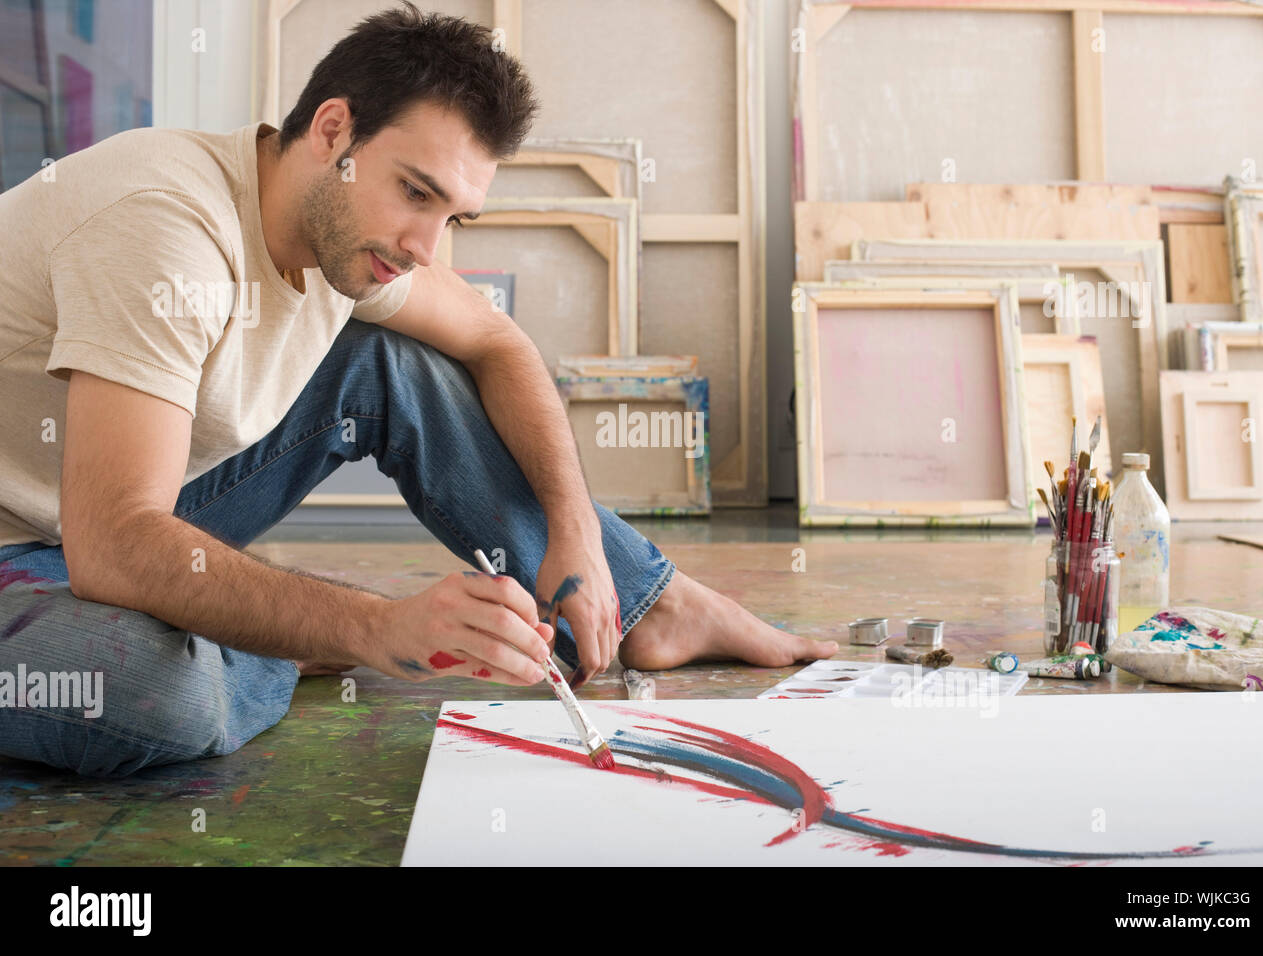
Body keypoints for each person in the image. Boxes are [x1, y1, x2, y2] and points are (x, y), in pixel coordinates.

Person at [0, 4, 835, 778]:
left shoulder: (341, 228)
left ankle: (651, 604)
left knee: (393, 363)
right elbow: (110, 545)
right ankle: (274, 639)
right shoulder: (165, 228)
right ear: (334, 131)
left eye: (454, 216)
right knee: (152, 693)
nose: (426, 246)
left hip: (104, 517)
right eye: (416, 192)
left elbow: (497, 343)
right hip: (43, 544)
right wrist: (372, 627)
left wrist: (574, 532)